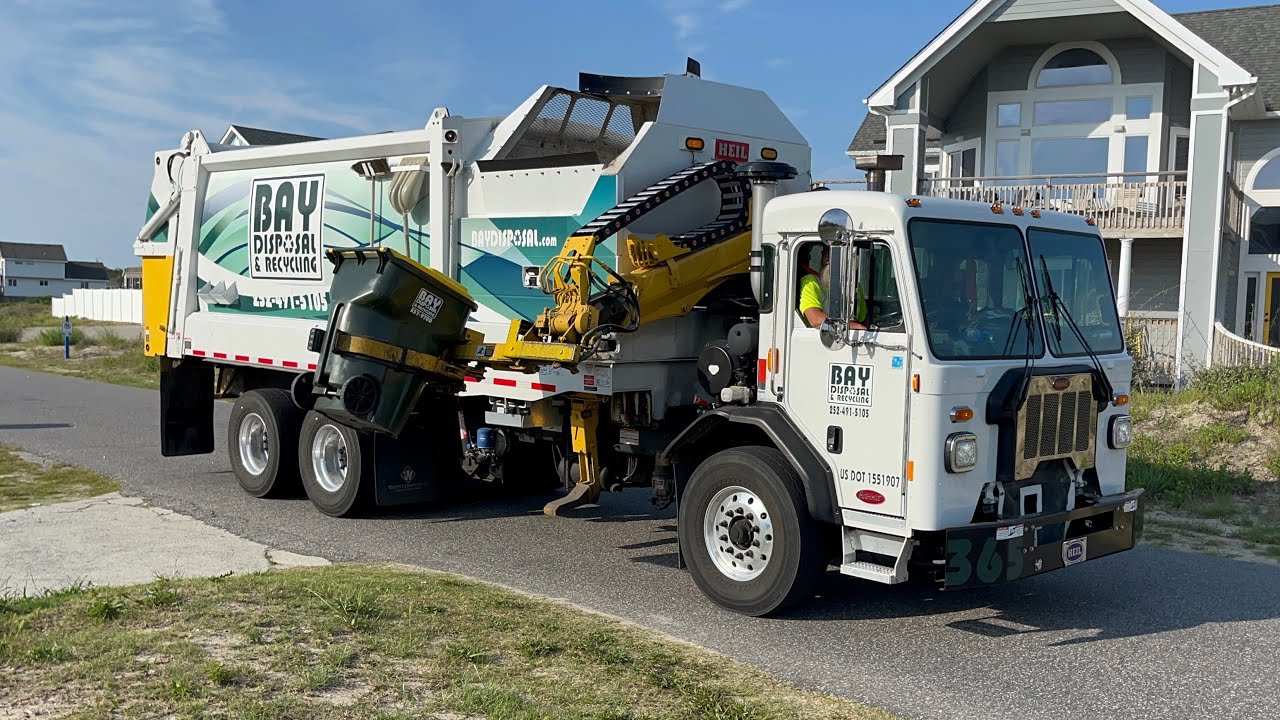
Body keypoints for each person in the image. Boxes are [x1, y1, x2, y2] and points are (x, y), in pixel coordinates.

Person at [798, 244, 867, 330]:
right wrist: (853, 326)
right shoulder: (811, 281)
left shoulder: (855, 286)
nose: (828, 257)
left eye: (835, 253)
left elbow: (863, 319)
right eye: (826, 253)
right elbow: (815, 319)